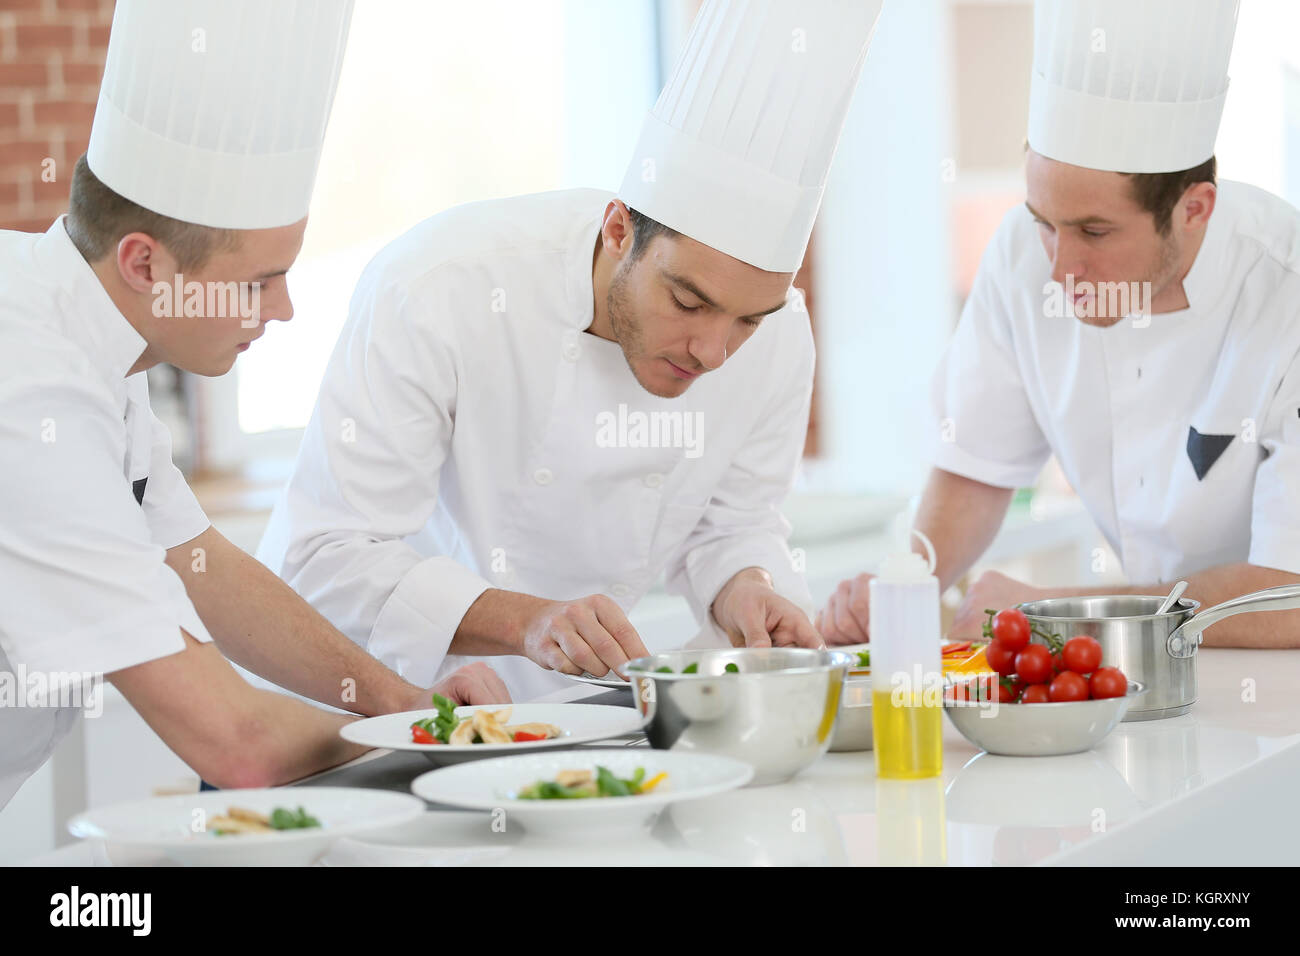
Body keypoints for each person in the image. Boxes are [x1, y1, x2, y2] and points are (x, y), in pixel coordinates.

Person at [256, 0, 886, 700]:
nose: (713, 351)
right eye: (688, 301)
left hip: (586, 718)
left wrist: (747, 586)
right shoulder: (440, 288)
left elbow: (733, 524)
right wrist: (527, 620)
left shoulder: (783, 334)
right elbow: (324, 558)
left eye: (749, 321)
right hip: (380, 704)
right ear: (619, 230)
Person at [0, 0, 506, 811]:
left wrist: (395, 699)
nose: (283, 310)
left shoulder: (95, 342)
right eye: (258, 281)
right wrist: (429, 734)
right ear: (144, 263)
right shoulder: (28, 394)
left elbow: (203, 566)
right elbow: (235, 745)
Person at [818, 0, 1300, 649]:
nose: (1059, 267)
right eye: (1044, 222)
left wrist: (1060, 610)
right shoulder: (1020, 253)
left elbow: (1288, 599)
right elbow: (975, 468)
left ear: (1195, 209)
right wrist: (904, 587)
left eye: (1094, 232)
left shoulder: (1284, 292)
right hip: (1152, 667)